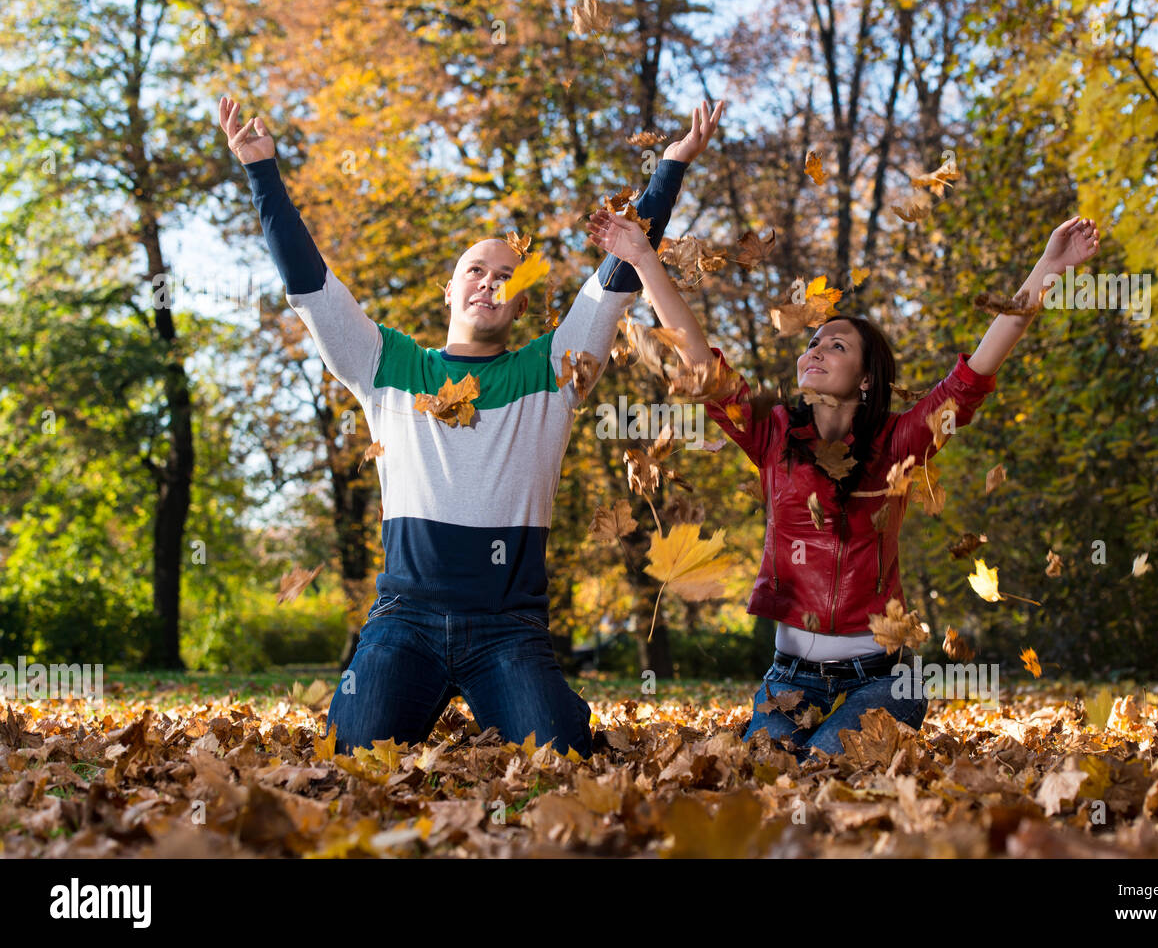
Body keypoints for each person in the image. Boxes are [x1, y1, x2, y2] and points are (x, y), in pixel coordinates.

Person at [218, 95, 725, 756]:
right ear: (450, 290)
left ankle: (550, 698)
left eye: (507, 276)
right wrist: (262, 173)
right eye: (476, 271)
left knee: (564, 758)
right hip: (404, 623)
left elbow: (619, 277)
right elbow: (309, 284)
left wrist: (674, 164)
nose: (490, 283)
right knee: (346, 757)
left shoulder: (555, 368)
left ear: (521, 299)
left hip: (507, 629)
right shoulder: (385, 363)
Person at [586, 204, 1100, 760]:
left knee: (824, 772)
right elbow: (698, 360)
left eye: (837, 345)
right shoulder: (773, 435)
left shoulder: (901, 442)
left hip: (879, 683)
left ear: (867, 377)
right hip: (789, 682)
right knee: (767, 774)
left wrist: (1049, 266)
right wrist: (641, 257)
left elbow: (976, 371)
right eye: (813, 343)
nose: (816, 350)